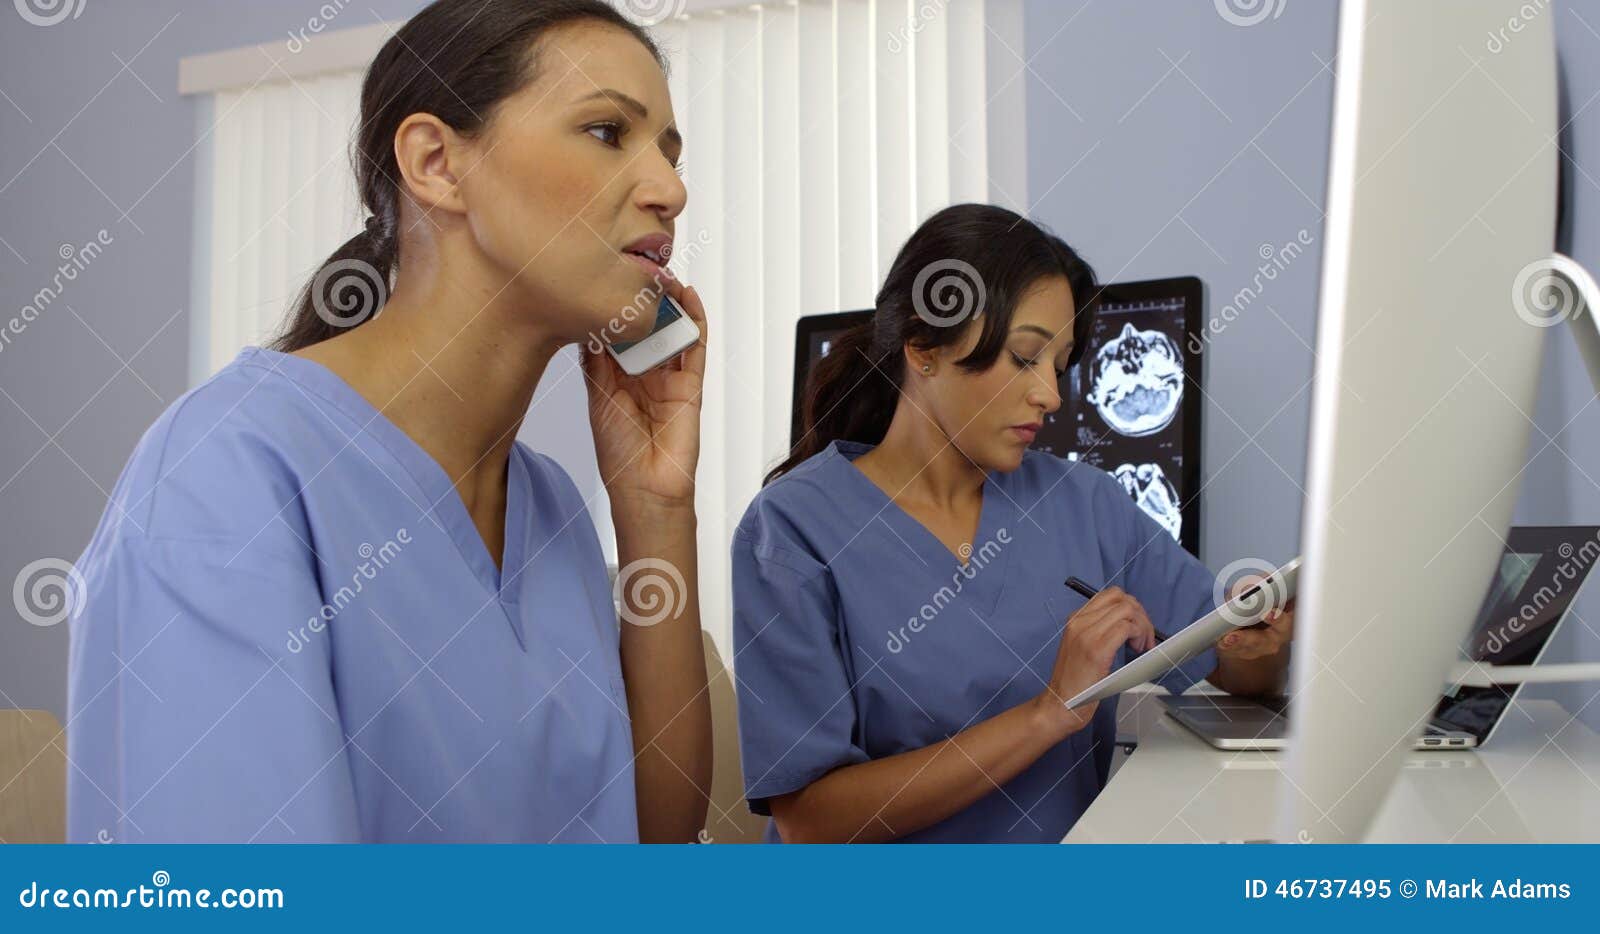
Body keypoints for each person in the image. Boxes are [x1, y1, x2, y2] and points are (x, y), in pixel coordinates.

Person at [66, 0, 711, 843]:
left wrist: (656, 514)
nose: (671, 190)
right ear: (437, 163)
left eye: (669, 152)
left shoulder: (550, 508)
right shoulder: (223, 474)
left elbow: (652, 840)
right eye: (605, 132)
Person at [730, 203, 1293, 843]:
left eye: (1059, 365)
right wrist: (1049, 713)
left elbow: (1235, 671)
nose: (1051, 395)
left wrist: (1262, 641)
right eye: (1025, 358)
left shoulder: (1085, 504)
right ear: (924, 347)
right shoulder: (794, 527)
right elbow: (810, 820)